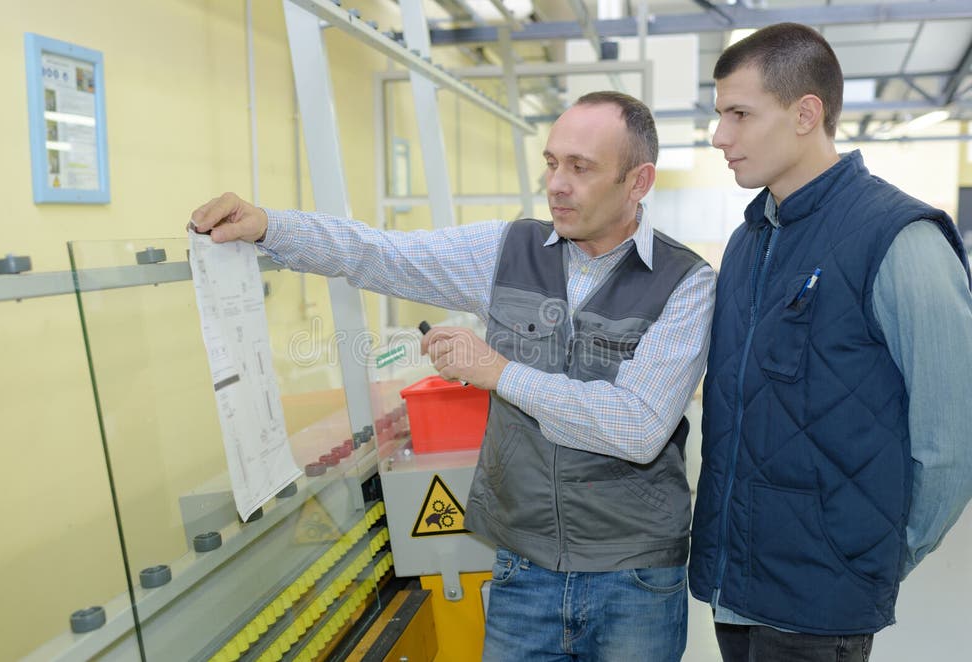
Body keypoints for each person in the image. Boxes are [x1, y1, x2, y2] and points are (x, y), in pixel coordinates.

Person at [192, 91, 715, 661]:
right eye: (551, 163)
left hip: (634, 577)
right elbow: (381, 253)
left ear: (638, 182)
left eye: (580, 168)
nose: (557, 184)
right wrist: (271, 227)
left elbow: (637, 428)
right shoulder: (507, 250)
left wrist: (499, 371)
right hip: (523, 567)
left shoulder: (685, 282)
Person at [689, 22, 972, 662]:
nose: (719, 136)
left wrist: (868, 559)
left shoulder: (899, 237)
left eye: (739, 114)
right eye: (719, 115)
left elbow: (952, 441)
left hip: (822, 602)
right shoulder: (748, 242)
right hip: (733, 587)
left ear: (805, 114)